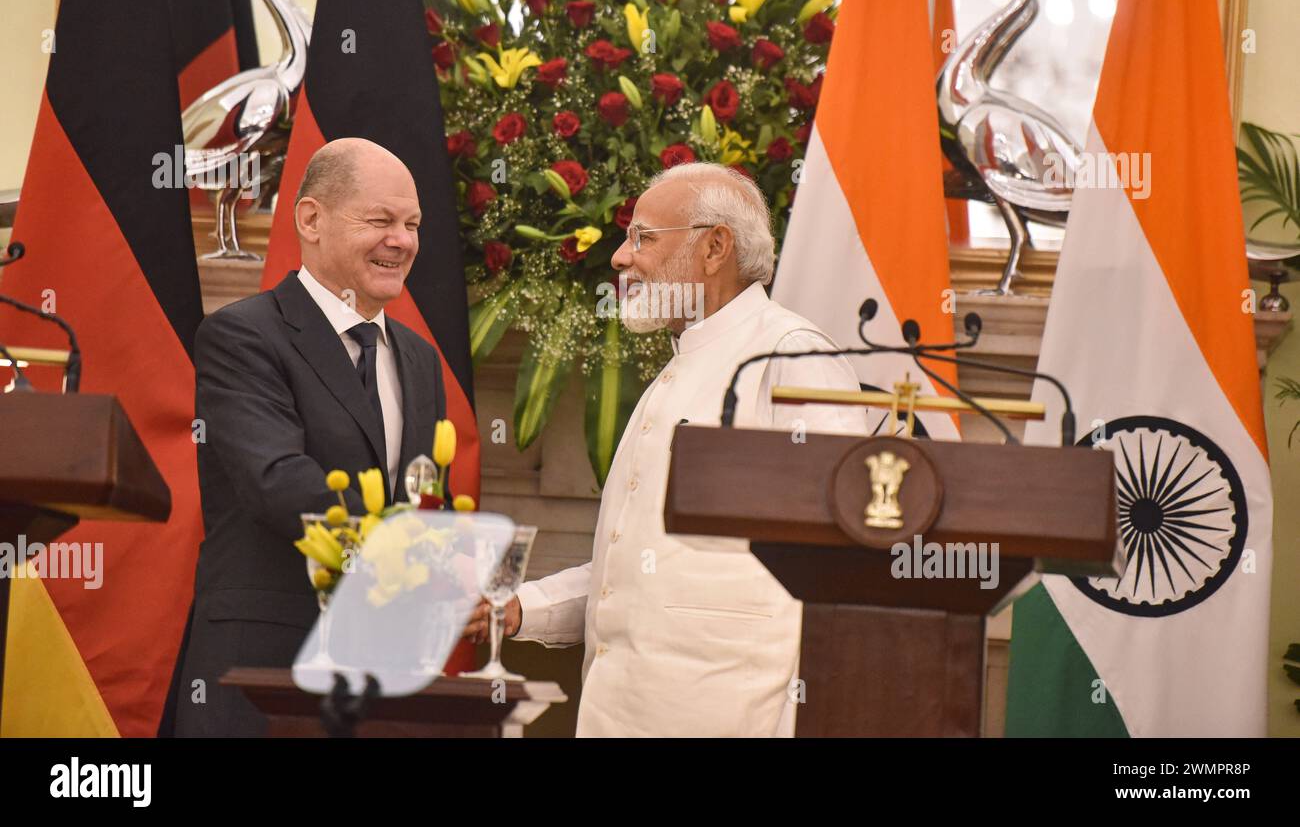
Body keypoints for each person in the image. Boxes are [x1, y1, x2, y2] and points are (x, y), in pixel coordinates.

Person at [465, 162, 869, 736]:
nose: (621, 258)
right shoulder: (680, 367)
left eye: (644, 238)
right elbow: (636, 577)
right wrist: (523, 607)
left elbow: (833, 571)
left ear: (715, 248)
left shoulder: (792, 355)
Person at [170, 138, 447, 736]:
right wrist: (392, 555)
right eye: (380, 220)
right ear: (312, 219)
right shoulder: (241, 336)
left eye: (412, 224)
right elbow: (278, 483)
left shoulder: (421, 360)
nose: (401, 240)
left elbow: (423, 496)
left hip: (376, 684)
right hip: (262, 673)